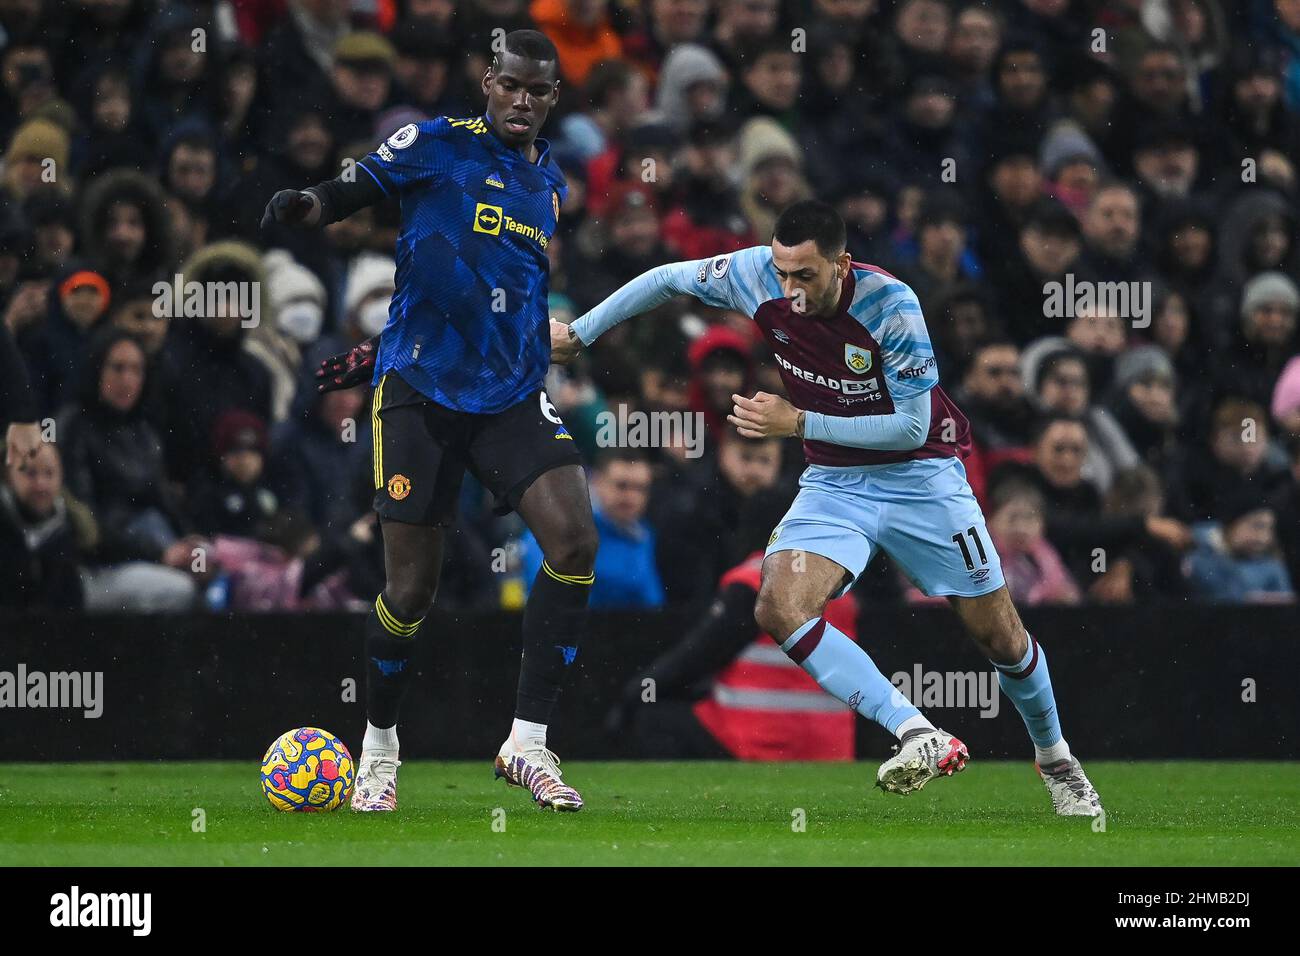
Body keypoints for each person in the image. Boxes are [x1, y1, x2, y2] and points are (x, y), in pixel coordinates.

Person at [553, 199, 1104, 816]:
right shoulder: (755, 273)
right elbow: (665, 278)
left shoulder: (892, 305)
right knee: (778, 603)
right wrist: (581, 333)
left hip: (921, 478)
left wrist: (798, 420)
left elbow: (908, 427)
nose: (789, 291)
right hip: (836, 481)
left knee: (999, 637)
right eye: (783, 273)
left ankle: (1056, 759)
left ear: (842, 264)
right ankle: (917, 732)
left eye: (806, 276)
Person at [263, 31, 596, 813]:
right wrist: (311, 204)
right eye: (510, 84)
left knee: (576, 540)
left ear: (552, 99)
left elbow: (491, 285)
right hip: (419, 391)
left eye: (537, 91)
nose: (522, 99)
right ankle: (378, 750)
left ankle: (528, 743)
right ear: (488, 82)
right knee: (410, 591)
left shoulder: (549, 185)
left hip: (511, 391)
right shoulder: (438, 144)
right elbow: (358, 188)